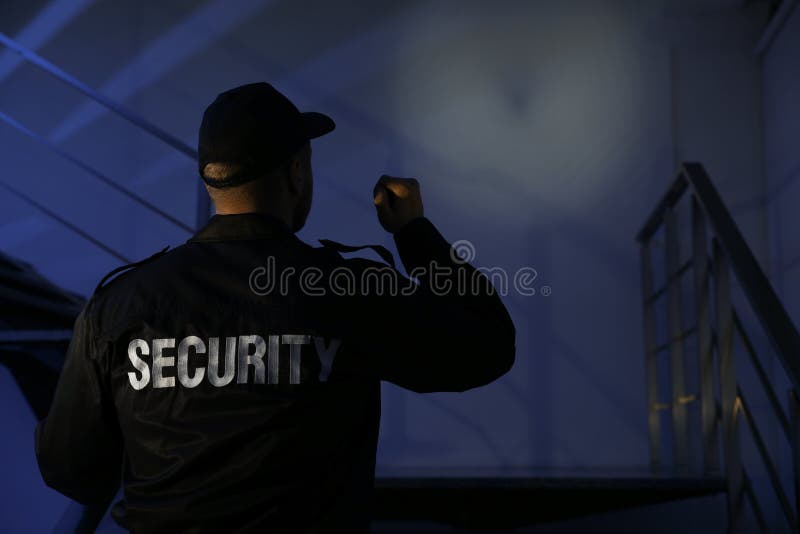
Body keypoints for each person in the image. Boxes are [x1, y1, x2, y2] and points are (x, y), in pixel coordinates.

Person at [34, 82, 516, 533]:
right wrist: (414, 232)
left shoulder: (120, 304)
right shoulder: (348, 288)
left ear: (209, 182)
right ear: (296, 172)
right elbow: (487, 347)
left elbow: (71, 472)